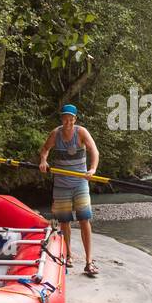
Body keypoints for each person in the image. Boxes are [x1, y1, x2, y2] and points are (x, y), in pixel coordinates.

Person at [39, 105, 100, 276]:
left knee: (84, 219)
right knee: (64, 222)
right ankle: (68, 256)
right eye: (65, 118)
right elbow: (45, 150)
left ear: (75, 119)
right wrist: (44, 161)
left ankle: (89, 261)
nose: (67, 121)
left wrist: (93, 169)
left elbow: (94, 150)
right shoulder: (55, 133)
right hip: (61, 184)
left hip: (80, 182)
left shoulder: (81, 132)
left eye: (70, 118)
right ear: (61, 119)